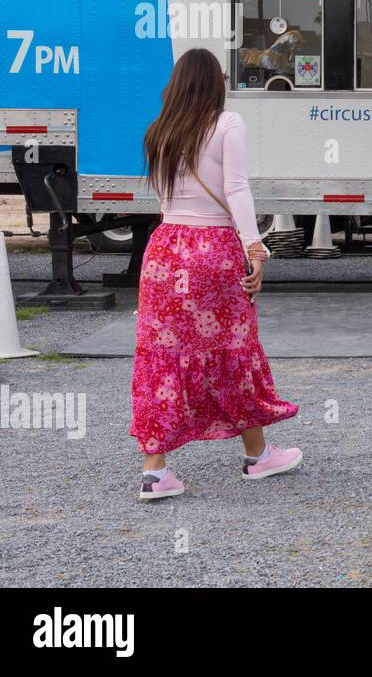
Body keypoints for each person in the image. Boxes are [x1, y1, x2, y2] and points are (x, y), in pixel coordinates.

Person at [132, 48, 301, 501]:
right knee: (231, 350)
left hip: (165, 252)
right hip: (213, 250)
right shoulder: (227, 124)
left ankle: (154, 471)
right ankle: (258, 455)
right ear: (213, 83)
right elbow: (236, 187)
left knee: (161, 356)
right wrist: (255, 245)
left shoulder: (158, 131)